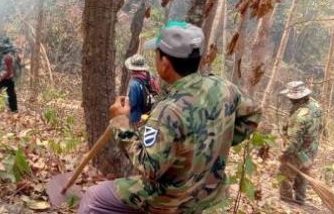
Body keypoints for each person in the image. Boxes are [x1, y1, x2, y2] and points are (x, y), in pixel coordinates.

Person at [78, 21, 261, 214]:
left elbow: (148, 167)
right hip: (209, 190)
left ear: (164, 63)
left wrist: (120, 123)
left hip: (172, 200)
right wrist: (213, 142)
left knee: (93, 198)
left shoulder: (169, 111)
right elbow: (253, 113)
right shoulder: (224, 88)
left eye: (156, 54)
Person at [278, 80, 323, 205]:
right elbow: (320, 127)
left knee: (284, 173)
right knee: (302, 174)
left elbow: (294, 143)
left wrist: (284, 154)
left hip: (298, 151)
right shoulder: (316, 105)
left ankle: (287, 202)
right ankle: (300, 200)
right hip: (311, 149)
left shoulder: (300, 116)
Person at [124, 54, 160, 126]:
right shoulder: (149, 77)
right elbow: (157, 90)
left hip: (136, 117)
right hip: (149, 114)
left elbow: (133, 103)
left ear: (132, 68)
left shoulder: (134, 84)